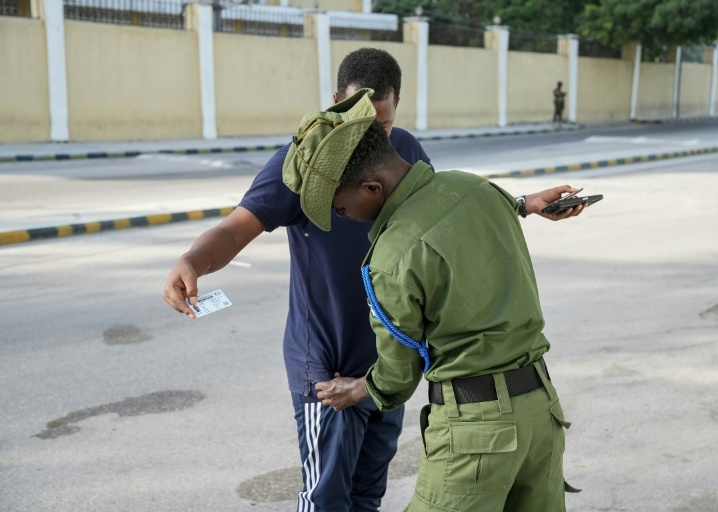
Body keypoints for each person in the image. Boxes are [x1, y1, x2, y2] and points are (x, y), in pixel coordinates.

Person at [164, 49, 582, 512]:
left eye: (380, 123)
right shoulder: (308, 164)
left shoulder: (399, 153)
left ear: (396, 106)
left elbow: (442, 212)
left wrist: (521, 204)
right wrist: (192, 261)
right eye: (359, 119)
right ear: (337, 102)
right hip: (332, 370)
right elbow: (233, 228)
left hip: (387, 366)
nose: (368, 135)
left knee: (368, 496)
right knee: (326, 499)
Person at [282, 88, 580, 512]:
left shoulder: (390, 257)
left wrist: (361, 388)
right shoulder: (477, 188)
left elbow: (399, 375)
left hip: (477, 433)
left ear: (370, 187)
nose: (341, 219)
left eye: (341, 208)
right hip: (541, 412)